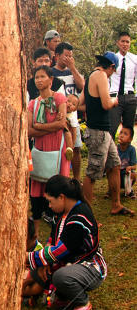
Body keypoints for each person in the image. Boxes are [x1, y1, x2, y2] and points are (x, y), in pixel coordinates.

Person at [23, 176, 106, 310]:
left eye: (50, 201)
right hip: (67, 263)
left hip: (90, 267)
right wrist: (44, 262)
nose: (49, 206)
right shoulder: (61, 214)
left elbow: (60, 250)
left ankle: (82, 302)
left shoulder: (79, 217)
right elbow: (52, 239)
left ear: (61, 197)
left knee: (61, 277)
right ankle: (62, 297)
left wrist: (29, 257)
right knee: (38, 272)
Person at [82, 52, 131, 217]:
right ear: (111, 66)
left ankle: (116, 204)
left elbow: (81, 103)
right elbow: (106, 104)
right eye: (113, 71)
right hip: (98, 132)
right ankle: (87, 215)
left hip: (103, 132)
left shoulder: (91, 76)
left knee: (115, 165)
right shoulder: (101, 75)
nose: (112, 74)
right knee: (92, 173)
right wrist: (114, 101)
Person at [27, 64, 69, 247]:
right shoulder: (33, 103)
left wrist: (39, 127)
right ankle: (35, 234)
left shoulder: (59, 98)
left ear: (51, 80)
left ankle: (57, 233)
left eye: (43, 76)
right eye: (37, 77)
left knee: (57, 189)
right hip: (40, 150)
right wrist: (50, 128)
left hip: (58, 149)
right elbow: (29, 131)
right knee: (36, 193)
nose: (39, 80)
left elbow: (62, 124)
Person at [51, 43, 84, 184]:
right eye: (66, 56)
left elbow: (82, 86)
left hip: (73, 116)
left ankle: (76, 179)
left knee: (76, 148)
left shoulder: (72, 72)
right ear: (57, 56)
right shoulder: (51, 73)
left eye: (71, 56)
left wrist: (73, 68)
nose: (69, 59)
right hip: (57, 116)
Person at [108, 31, 137, 135]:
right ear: (118, 43)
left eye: (127, 42)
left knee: (128, 130)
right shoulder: (113, 59)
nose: (125, 44)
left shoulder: (134, 59)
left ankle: (126, 146)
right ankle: (110, 146)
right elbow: (107, 77)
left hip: (130, 97)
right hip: (115, 97)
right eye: (122, 41)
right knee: (112, 128)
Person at [117, 125, 136, 197]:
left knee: (133, 174)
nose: (121, 135)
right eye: (121, 133)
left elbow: (135, 166)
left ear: (130, 139)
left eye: (125, 134)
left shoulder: (132, 149)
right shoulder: (115, 148)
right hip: (116, 173)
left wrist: (130, 167)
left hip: (125, 173)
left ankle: (128, 190)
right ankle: (111, 189)